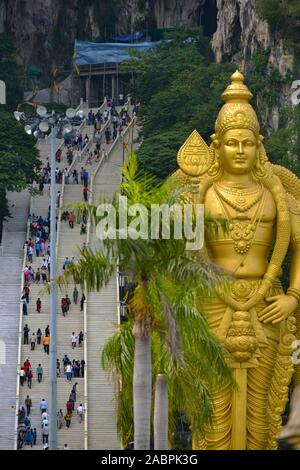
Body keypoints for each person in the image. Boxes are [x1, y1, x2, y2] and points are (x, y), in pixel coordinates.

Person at [178, 70, 300, 450]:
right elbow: (181, 258)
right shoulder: (202, 193)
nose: (241, 151)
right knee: (214, 416)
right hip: (214, 304)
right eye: (233, 143)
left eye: (248, 142)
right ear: (218, 146)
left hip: (266, 306)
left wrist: (292, 297)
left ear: (259, 145)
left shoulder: (275, 190)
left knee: (262, 416)